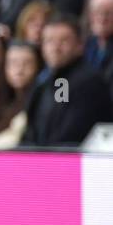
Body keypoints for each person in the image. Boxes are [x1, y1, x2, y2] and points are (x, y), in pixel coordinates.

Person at [22, 15, 113, 147]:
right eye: (49, 41)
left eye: (64, 41)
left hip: (75, 164)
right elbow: (34, 129)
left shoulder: (88, 82)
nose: (55, 48)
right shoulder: (48, 82)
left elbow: (70, 134)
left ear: (79, 45)